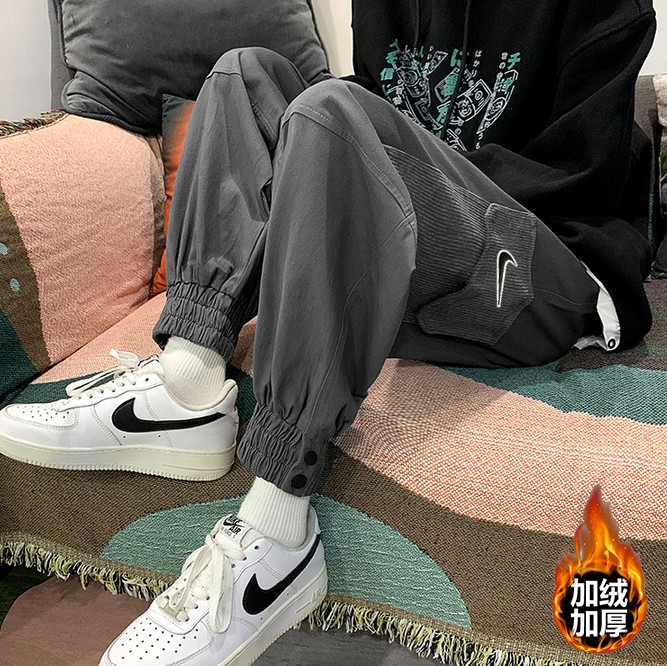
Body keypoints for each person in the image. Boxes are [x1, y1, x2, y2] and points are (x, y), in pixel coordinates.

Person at [0, 0, 659, 664]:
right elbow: (377, 120)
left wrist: (388, 164)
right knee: (244, 75)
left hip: (549, 266)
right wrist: (361, 167)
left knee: (330, 114)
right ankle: (189, 381)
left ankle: (277, 534)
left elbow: (580, 174)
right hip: (428, 243)